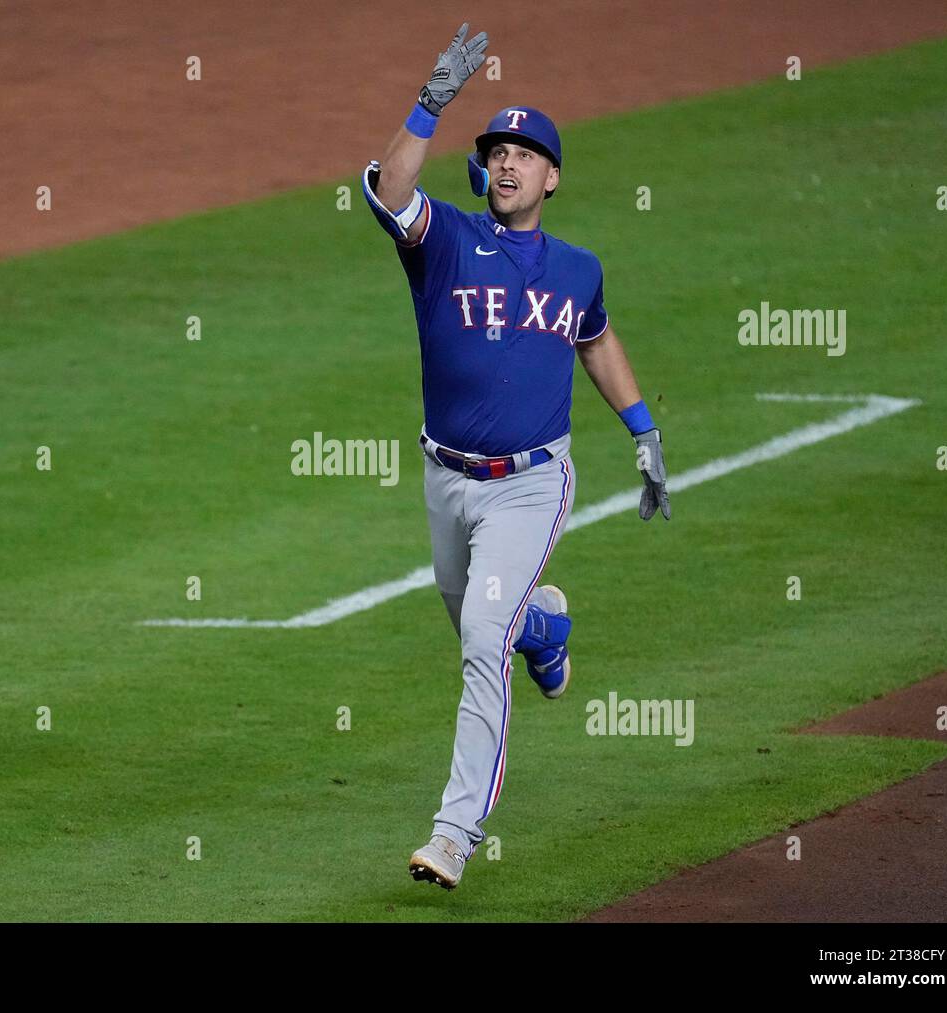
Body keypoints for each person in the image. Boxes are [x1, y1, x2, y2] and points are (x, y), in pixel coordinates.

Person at [361, 23, 671, 890]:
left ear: (553, 177)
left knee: (479, 642)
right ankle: (549, 625)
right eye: (498, 150)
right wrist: (430, 102)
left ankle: (454, 834)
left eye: (527, 154)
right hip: (445, 480)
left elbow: (597, 341)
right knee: (480, 626)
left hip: (530, 484)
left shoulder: (577, 269)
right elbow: (388, 192)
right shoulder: (445, 242)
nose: (509, 163)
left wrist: (643, 430)